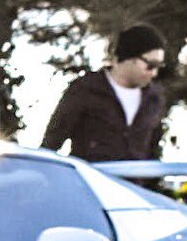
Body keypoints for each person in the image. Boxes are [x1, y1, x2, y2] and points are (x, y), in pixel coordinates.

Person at [41, 23, 168, 162]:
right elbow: (52, 142)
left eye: (159, 67)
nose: (154, 73)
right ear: (129, 57)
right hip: (89, 180)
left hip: (130, 183)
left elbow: (153, 153)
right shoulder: (85, 89)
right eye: (150, 65)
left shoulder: (154, 98)